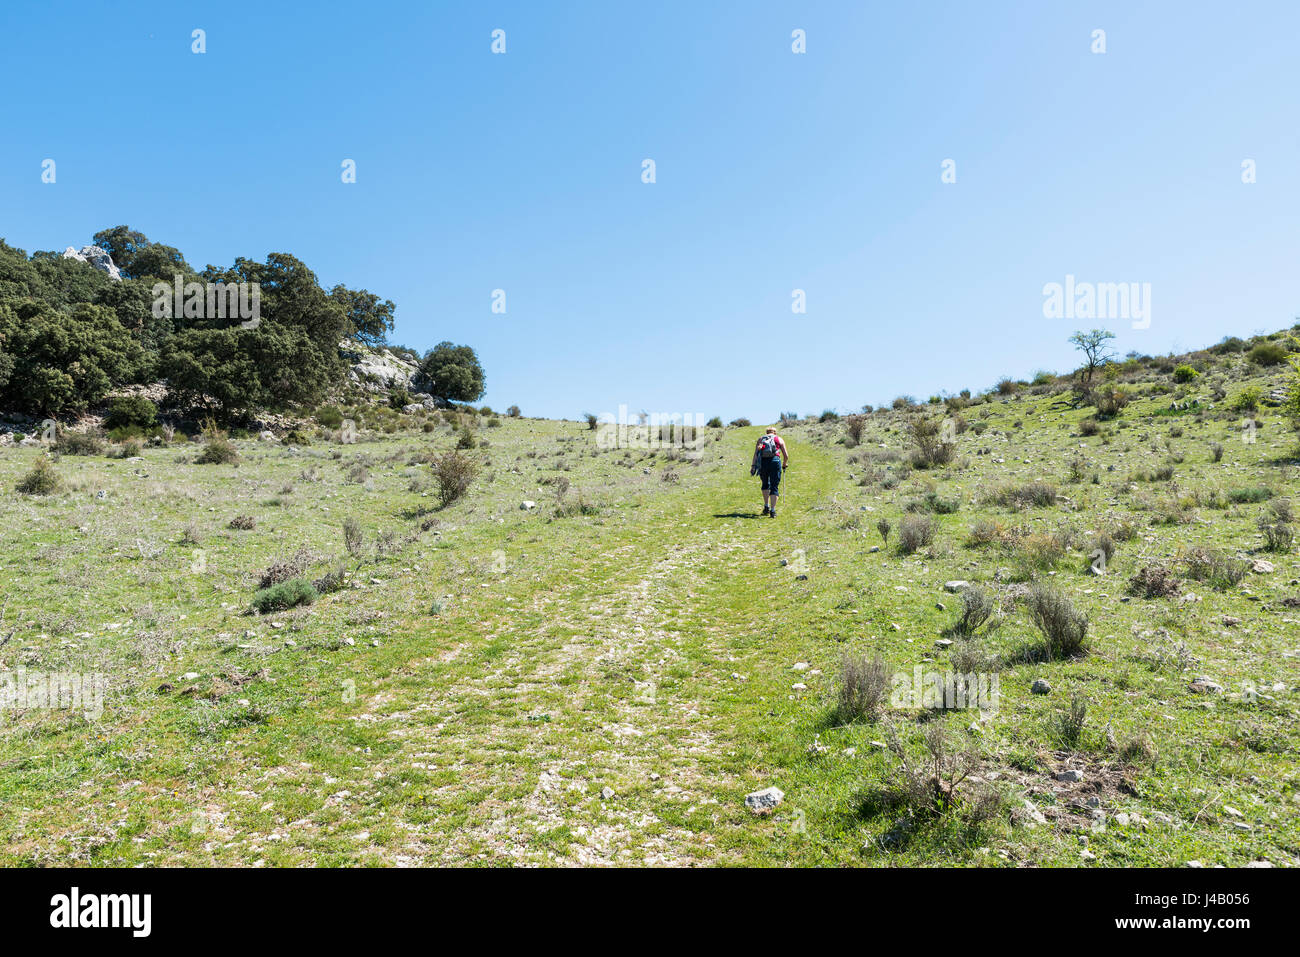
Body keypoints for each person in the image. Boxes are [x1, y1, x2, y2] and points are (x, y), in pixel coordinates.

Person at [750, 427, 789, 517]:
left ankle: (766, 506)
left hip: (763, 462)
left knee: (765, 484)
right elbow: (786, 455)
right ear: (775, 432)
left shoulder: (761, 439)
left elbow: (756, 454)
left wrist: (753, 465)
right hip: (775, 461)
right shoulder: (779, 439)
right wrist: (784, 464)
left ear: (766, 432)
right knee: (774, 486)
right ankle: (773, 510)